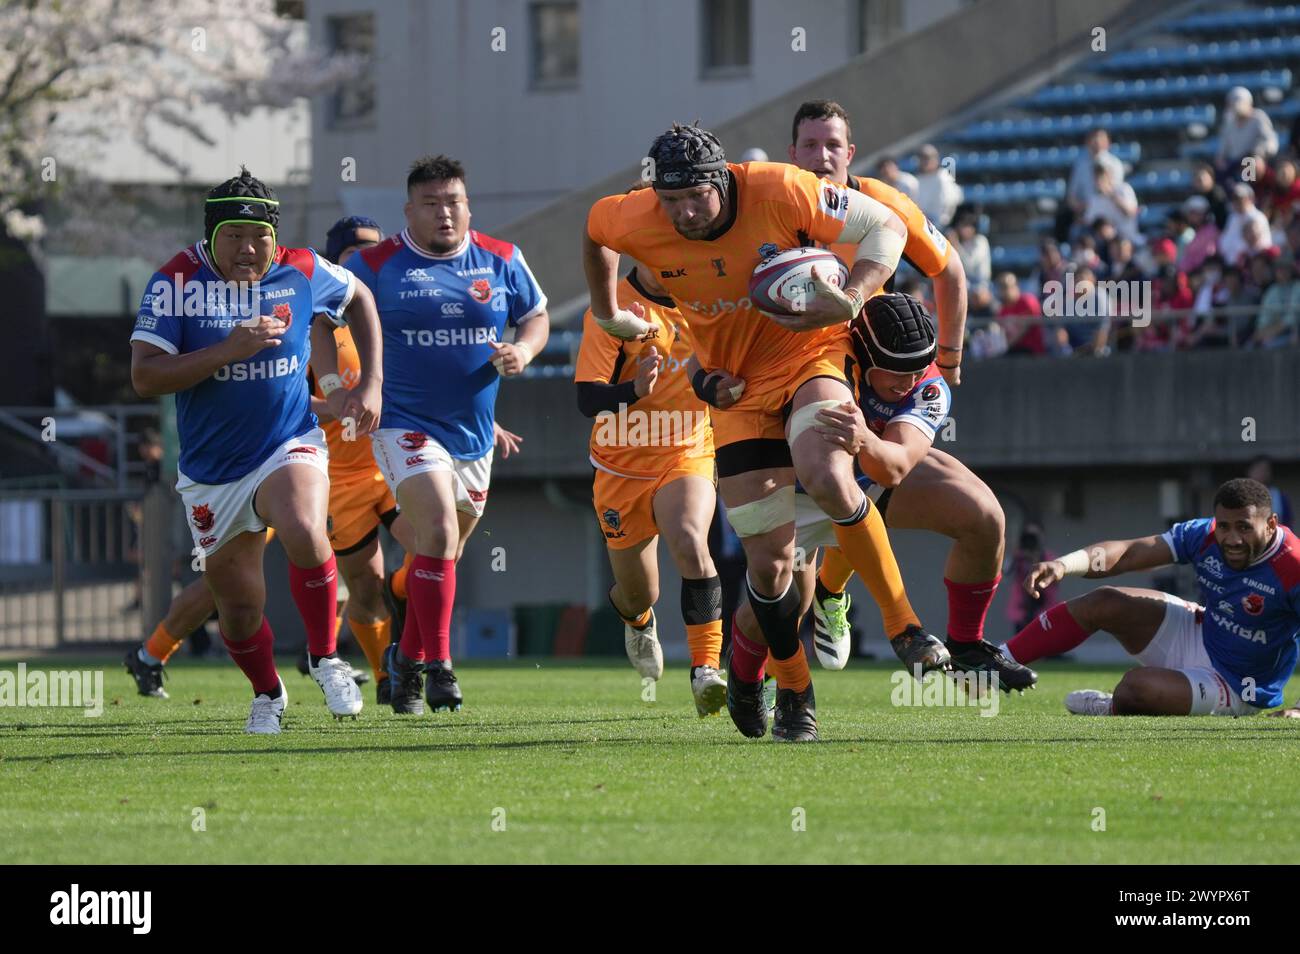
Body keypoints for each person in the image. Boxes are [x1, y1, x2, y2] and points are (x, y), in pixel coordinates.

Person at [584, 122, 936, 743]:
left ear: (722, 179)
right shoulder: (635, 216)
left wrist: (852, 296)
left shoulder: (780, 189)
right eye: (672, 201)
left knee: (828, 472)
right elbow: (594, 229)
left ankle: (904, 625)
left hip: (811, 355)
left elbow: (888, 227)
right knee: (771, 566)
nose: (685, 212)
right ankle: (793, 689)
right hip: (735, 389)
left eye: (698, 195)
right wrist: (608, 310)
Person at [128, 167, 382, 733]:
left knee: (303, 527)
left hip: (287, 442)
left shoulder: (303, 268)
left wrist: (372, 385)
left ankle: (324, 656)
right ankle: (268, 693)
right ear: (211, 236)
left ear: (275, 236)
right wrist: (229, 349)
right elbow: (145, 378)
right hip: (212, 472)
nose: (248, 249)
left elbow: (360, 297)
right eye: (234, 237)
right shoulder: (174, 281)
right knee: (239, 613)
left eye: (258, 237)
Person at [348, 155, 549, 716]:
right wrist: (358, 383)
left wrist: (524, 350)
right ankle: (440, 666)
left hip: (475, 435)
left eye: (453, 202)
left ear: (468, 205)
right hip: (404, 425)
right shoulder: (375, 264)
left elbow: (536, 316)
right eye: (431, 204)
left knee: (446, 550)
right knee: (434, 529)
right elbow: (323, 318)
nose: (444, 213)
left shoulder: (502, 258)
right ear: (409, 211)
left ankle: (404, 661)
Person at [762, 293, 1034, 690]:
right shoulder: (828, 357)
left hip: (868, 474)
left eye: (916, 370)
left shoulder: (928, 385)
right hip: (797, 486)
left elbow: (892, 468)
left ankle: (966, 646)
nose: (907, 383)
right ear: (866, 354)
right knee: (786, 607)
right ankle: (761, 680)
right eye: (895, 372)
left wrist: (865, 441)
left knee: (984, 516)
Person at [785, 99, 971, 662]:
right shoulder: (769, 200)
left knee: (972, 511)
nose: (821, 156)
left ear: (851, 152)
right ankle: (780, 669)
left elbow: (950, 270)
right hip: (783, 370)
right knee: (786, 559)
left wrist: (951, 358)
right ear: (792, 152)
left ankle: (856, 605)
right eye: (810, 145)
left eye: (832, 145)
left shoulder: (883, 202)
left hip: (870, 367)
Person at [1007, 479, 1300, 717]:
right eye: (1224, 526)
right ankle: (996, 661)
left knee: (1135, 690)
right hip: (1201, 632)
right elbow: (1130, 553)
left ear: (1271, 524)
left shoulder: (1293, 566)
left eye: (1244, 527)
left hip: (1238, 686)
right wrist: (1063, 565)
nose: (1232, 539)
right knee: (1104, 602)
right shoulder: (1205, 534)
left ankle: (1112, 706)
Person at [574, 255, 726, 715]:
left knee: (688, 537)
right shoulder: (613, 307)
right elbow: (587, 399)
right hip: (621, 466)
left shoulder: (711, 298)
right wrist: (633, 391)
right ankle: (638, 620)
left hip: (688, 451)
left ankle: (706, 670)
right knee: (641, 592)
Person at [1062, 128, 1126, 243]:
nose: (1096, 142)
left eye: (1100, 138)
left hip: (1110, 217)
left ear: (1108, 142)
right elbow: (1072, 197)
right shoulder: (1080, 166)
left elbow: (1115, 192)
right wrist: (1084, 208)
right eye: (1093, 139)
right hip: (1088, 216)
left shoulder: (1115, 164)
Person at [1215, 86, 1279, 176]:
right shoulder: (1229, 122)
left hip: (1252, 160)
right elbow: (1223, 148)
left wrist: (1258, 154)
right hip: (1234, 163)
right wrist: (1220, 160)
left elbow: (1271, 142)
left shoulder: (1258, 117)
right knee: (1217, 175)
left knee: (1249, 169)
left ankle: (1247, 187)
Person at [1220, 182, 1273, 267]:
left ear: (1250, 199)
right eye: (1234, 199)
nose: (1237, 202)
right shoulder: (1233, 217)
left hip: (1252, 264)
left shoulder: (1258, 217)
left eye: (1240, 198)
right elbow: (1225, 242)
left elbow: (1262, 245)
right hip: (1232, 265)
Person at [913, 143, 963, 229]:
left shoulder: (944, 177)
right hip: (921, 223)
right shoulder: (916, 179)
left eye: (928, 158)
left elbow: (948, 208)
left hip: (941, 227)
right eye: (922, 158)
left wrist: (938, 225)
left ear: (936, 159)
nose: (925, 161)